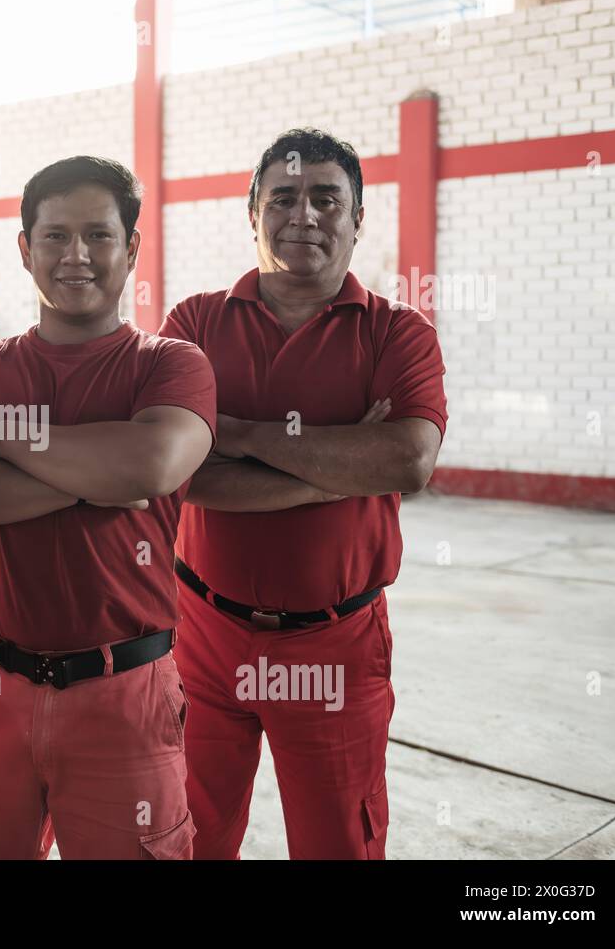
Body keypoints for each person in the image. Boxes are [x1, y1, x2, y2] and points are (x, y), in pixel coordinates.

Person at [158, 127, 447, 859]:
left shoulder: (398, 334)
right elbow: (175, 472)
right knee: (186, 839)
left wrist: (239, 431)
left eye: (327, 198)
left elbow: (407, 460)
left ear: (357, 218)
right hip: (200, 632)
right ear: (252, 212)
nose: (305, 215)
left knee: (337, 846)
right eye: (283, 197)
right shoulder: (192, 326)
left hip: (336, 645)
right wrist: (338, 467)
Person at [0, 155, 217, 859]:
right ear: (25, 250)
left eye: (98, 235)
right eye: (54, 236)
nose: (76, 255)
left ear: (132, 247)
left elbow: (149, 463)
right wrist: (96, 474)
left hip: (125, 694)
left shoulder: (171, 364)